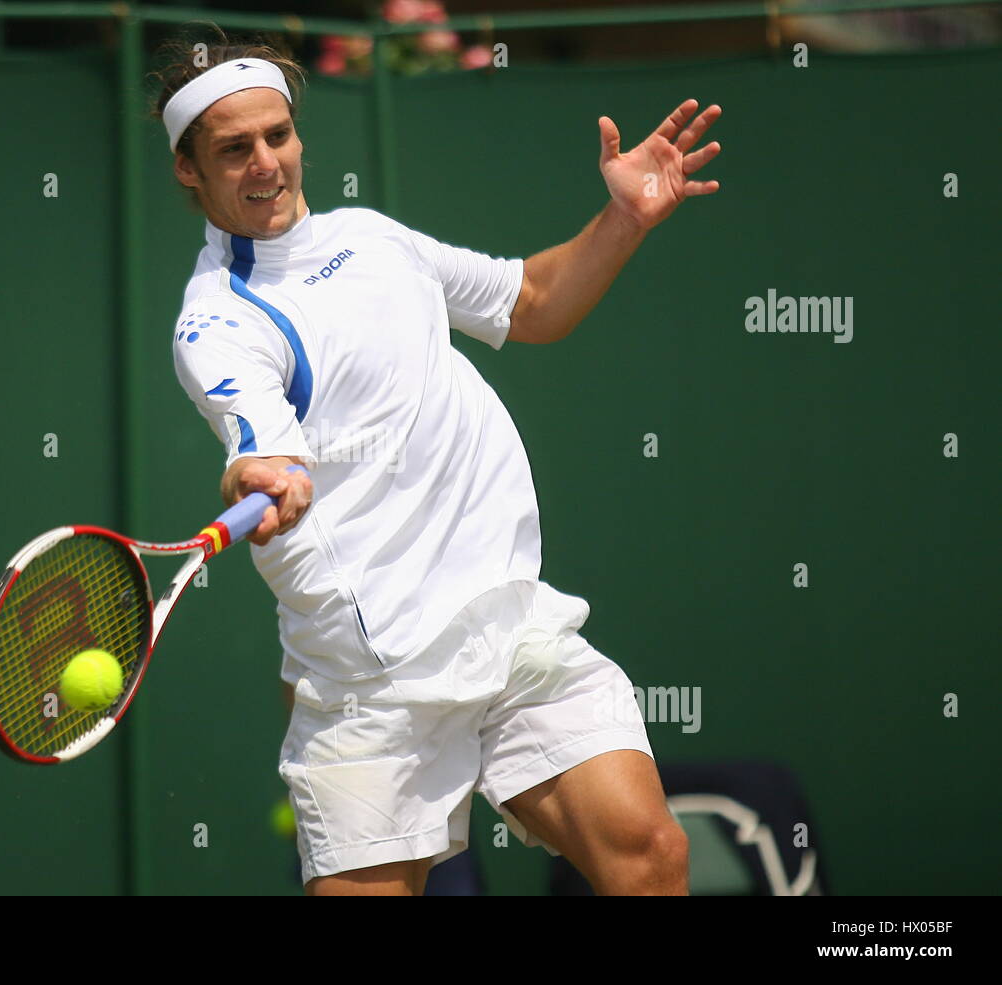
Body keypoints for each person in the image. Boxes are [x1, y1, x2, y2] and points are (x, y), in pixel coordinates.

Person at [153, 32, 721, 896]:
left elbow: (532, 302)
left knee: (650, 855)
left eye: (278, 136)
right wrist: (265, 474)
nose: (265, 163)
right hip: (371, 678)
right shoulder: (217, 323)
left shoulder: (375, 239)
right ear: (189, 170)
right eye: (234, 149)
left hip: (507, 621)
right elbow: (257, 441)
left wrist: (625, 218)